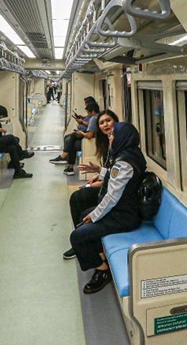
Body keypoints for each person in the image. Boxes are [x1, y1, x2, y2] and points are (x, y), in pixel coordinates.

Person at [69, 122, 146, 294]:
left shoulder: (124, 163)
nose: (109, 137)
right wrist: (100, 171)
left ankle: (103, 270)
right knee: (83, 214)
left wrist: (95, 215)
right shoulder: (131, 154)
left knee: (77, 236)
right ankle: (100, 255)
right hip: (126, 210)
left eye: (112, 135)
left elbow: (112, 196)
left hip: (124, 216)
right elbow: (118, 176)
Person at [62, 109, 118, 260]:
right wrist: (98, 172)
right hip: (108, 183)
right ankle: (82, 240)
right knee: (77, 198)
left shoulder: (120, 143)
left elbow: (120, 177)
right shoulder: (107, 143)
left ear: (116, 122)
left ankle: (82, 240)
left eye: (108, 121)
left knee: (81, 198)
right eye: (101, 123)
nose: (105, 125)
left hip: (114, 190)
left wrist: (102, 183)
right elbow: (110, 168)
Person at [50, 101, 100, 175]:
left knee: (73, 141)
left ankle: (65, 159)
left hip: (92, 142)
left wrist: (81, 133)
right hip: (95, 140)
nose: (88, 115)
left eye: (88, 113)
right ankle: (68, 164)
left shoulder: (93, 118)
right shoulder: (99, 116)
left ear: (92, 111)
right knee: (72, 140)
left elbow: (89, 135)